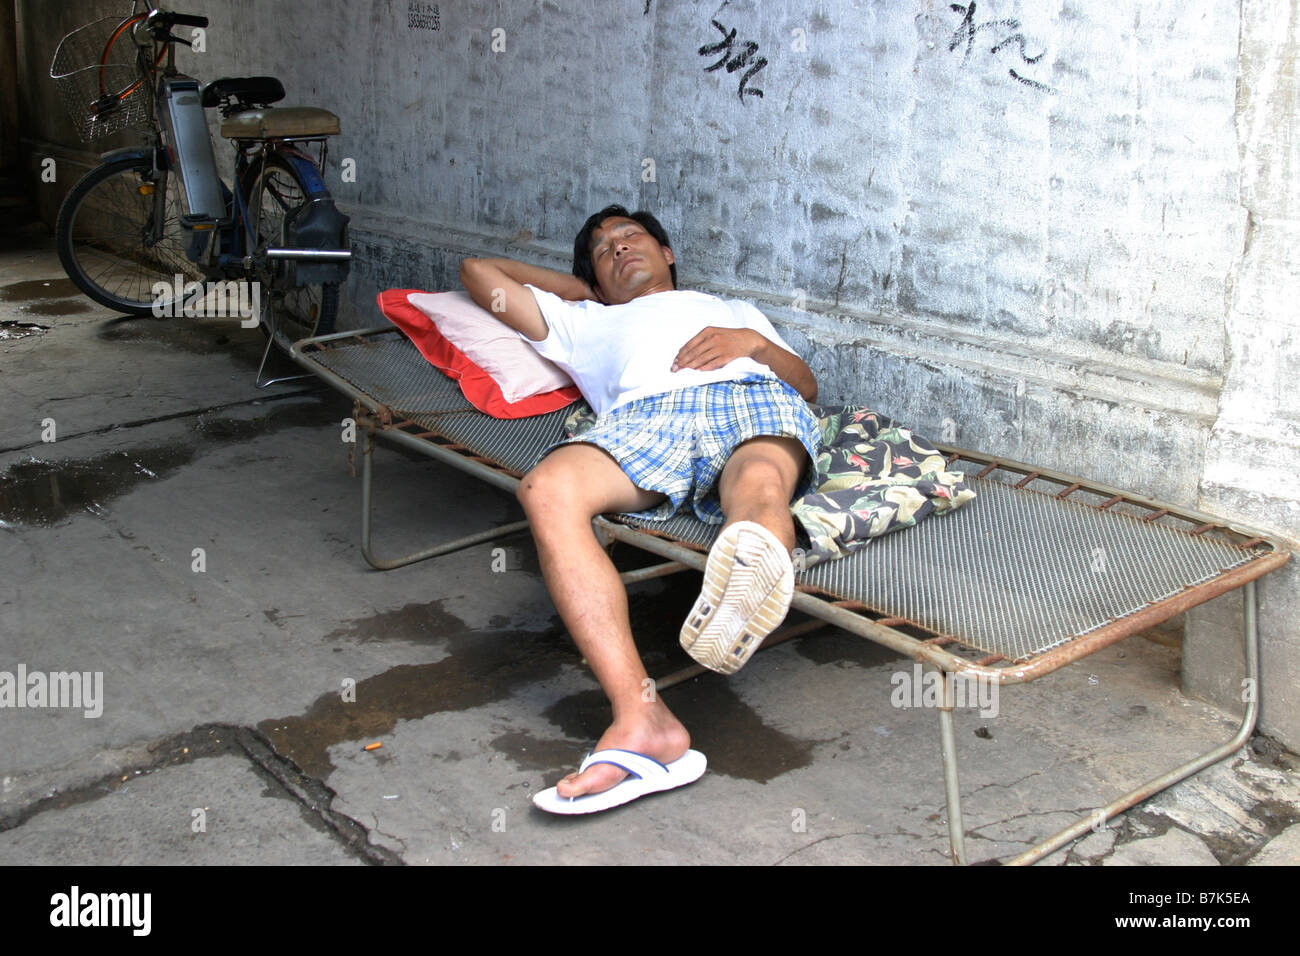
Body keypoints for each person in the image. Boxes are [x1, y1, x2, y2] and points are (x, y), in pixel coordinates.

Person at [459, 205, 820, 812]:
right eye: (603, 249)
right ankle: (642, 717)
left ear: (668, 253)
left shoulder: (731, 310)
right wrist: (580, 291)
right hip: (644, 420)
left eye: (631, 236)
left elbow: (806, 387)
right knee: (547, 490)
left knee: (759, 484)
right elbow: (476, 271)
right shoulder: (580, 320)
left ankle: (750, 575)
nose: (620, 247)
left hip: (748, 394)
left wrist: (754, 345)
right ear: (593, 278)